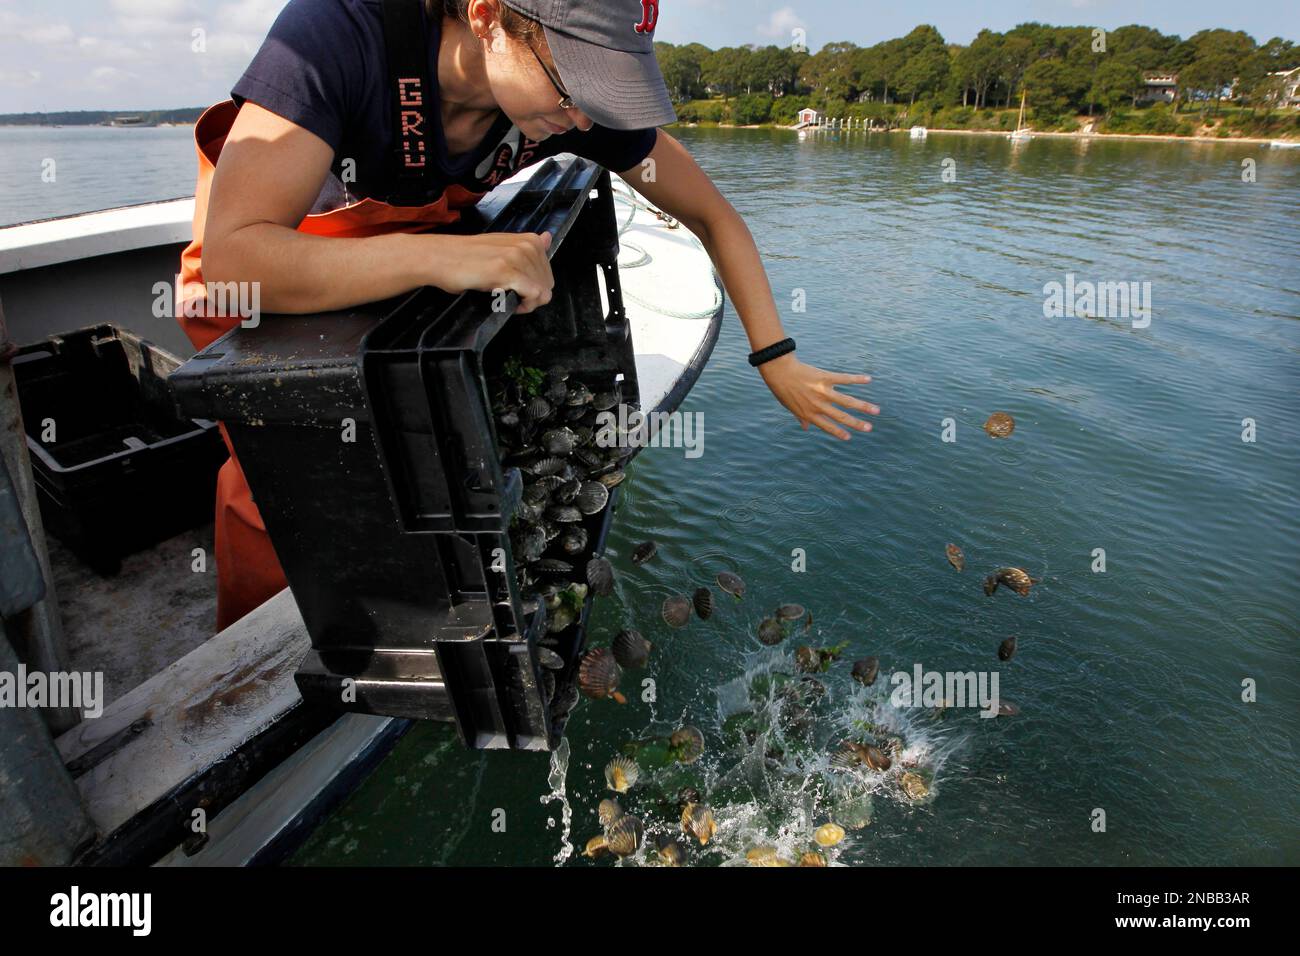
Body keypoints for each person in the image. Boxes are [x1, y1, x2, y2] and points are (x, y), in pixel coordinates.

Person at [177, 0, 879, 631]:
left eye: (605, 94)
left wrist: (774, 354)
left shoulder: (572, 107)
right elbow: (236, 262)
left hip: (397, 261)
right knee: (291, 485)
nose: (584, 119)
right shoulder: (340, 30)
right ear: (487, 16)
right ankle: (248, 658)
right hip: (265, 278)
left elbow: (711, 213)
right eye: (574, 87)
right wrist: (439, 262)